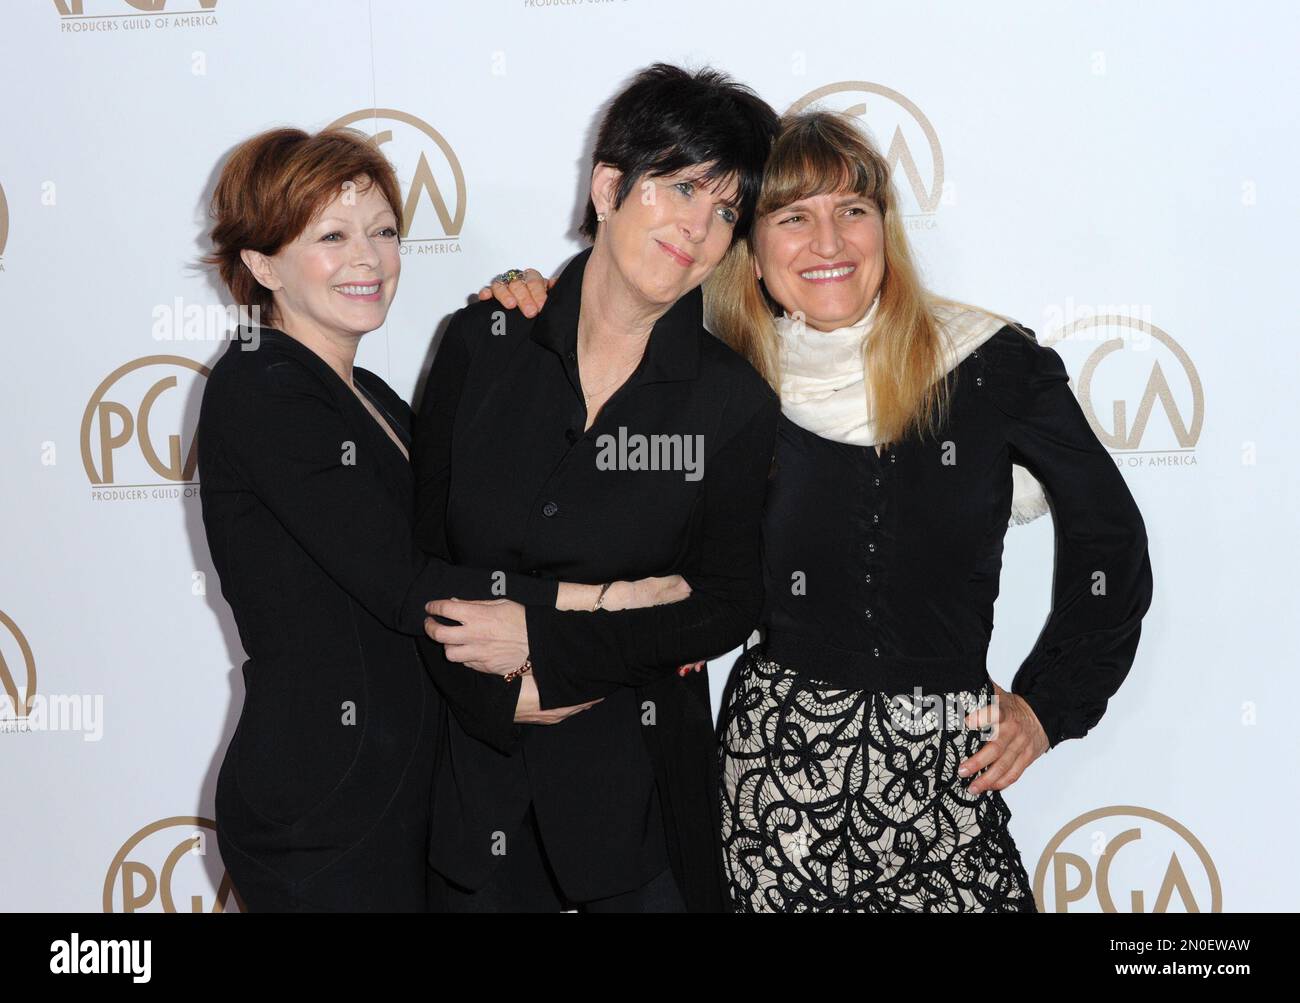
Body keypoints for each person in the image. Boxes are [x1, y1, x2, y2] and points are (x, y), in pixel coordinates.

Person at [484, 110, 1154, 912]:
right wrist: (536, 301)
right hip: (776, 787)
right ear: (754, 252)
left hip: (948, 781)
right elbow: (598, 485)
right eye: (793, 217)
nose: (828, 242)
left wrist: (1050, 703)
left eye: (852, 211)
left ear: (885, 229)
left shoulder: (987, 364)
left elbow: (1109, 537)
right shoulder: (725, 379)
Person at [196, 127, 659, 910]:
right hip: (326, 802)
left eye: (382, 232)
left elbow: (471, 528)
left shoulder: (369, 393)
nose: (368, 260)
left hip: (410, 786)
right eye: (332, 236)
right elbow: (412, 584)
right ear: (261, 262)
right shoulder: (260, 385)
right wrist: (609, 603)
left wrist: (517, 322)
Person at [414, 63, 780, 912]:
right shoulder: (485, 339)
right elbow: (420, 560)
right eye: (682, 187)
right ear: (609, 185)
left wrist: (544, 653)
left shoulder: (732, 401)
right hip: (475, 797)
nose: (699, 226)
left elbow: (725, 603)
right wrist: (507, 685)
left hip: (637, 806)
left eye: (725, 211)